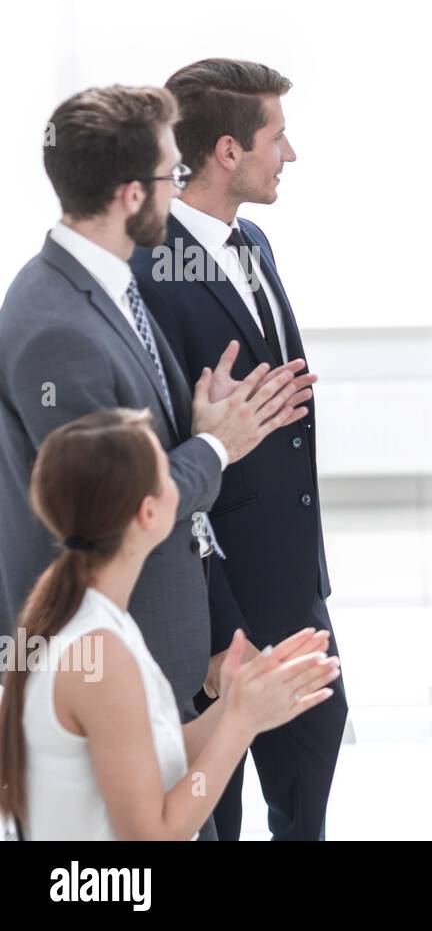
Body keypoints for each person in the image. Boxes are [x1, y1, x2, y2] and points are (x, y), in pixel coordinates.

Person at [0, 86, 314, 838]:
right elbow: (108, 510)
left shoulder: (111, 292)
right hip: (116, 663)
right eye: (174, 176)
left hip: (153, 668)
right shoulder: (56, 329)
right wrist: (215, 445)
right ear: (131, 193)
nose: (182, 191)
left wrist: (197, 421)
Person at [131, 59, 344, 842]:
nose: (289, 155)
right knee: (213, 796)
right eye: (276, 138)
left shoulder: (252, 240)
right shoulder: (151, 271)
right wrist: (219, 629)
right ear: (227, 151)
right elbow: (169, 451)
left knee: (313, 745)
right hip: (215, 590)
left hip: (290, 578)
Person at [0, 408, 338, 840]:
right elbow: (153, 834)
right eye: (170, 475)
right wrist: (240, 725)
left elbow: (158, 754)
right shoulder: (101, 654)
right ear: (148, 513)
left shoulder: (95, 619)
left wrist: (238, 701)